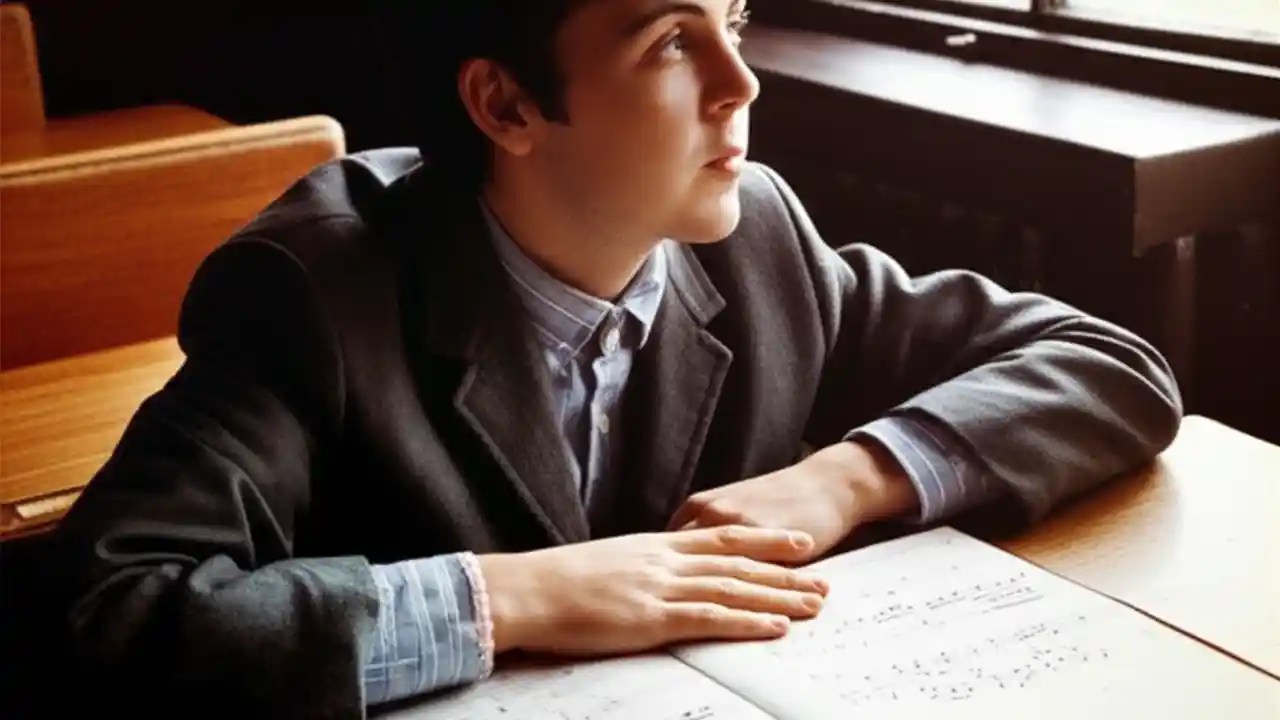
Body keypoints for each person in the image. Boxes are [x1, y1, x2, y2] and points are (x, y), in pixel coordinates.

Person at [53, 1, 1182, 717]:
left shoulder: (756, 237)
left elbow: (1104, 362)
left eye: (733, 22)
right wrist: (511, 598)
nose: (741, 84)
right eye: (671, 42)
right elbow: (106, 614)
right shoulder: (313, 293)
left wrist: (839, 477)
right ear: (505, 104)